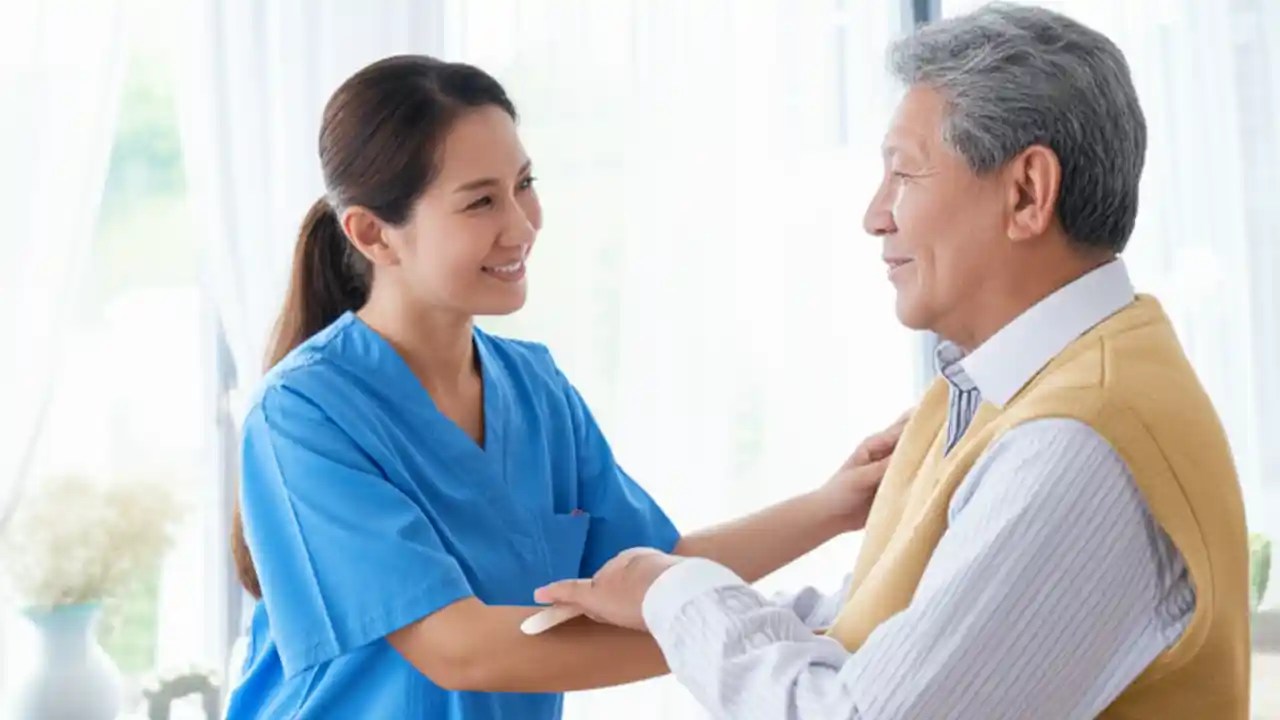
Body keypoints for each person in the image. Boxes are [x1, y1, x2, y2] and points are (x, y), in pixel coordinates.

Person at [535, 4, 1252, 718]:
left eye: (904, 175)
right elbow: (892, 632)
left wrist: (674, 591)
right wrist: (671, 601)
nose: (876, 215)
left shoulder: (1075, 444)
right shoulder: (1001, 392)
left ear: (1028, 192)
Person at [224, 55, 905, 720]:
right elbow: (461, 650)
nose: (522, 225)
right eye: (481, 201)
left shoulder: (533, 389)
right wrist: (769, 642)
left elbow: (658, 571)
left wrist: (835, 507)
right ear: (373, 234)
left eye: (523, 183)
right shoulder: (302, 416)